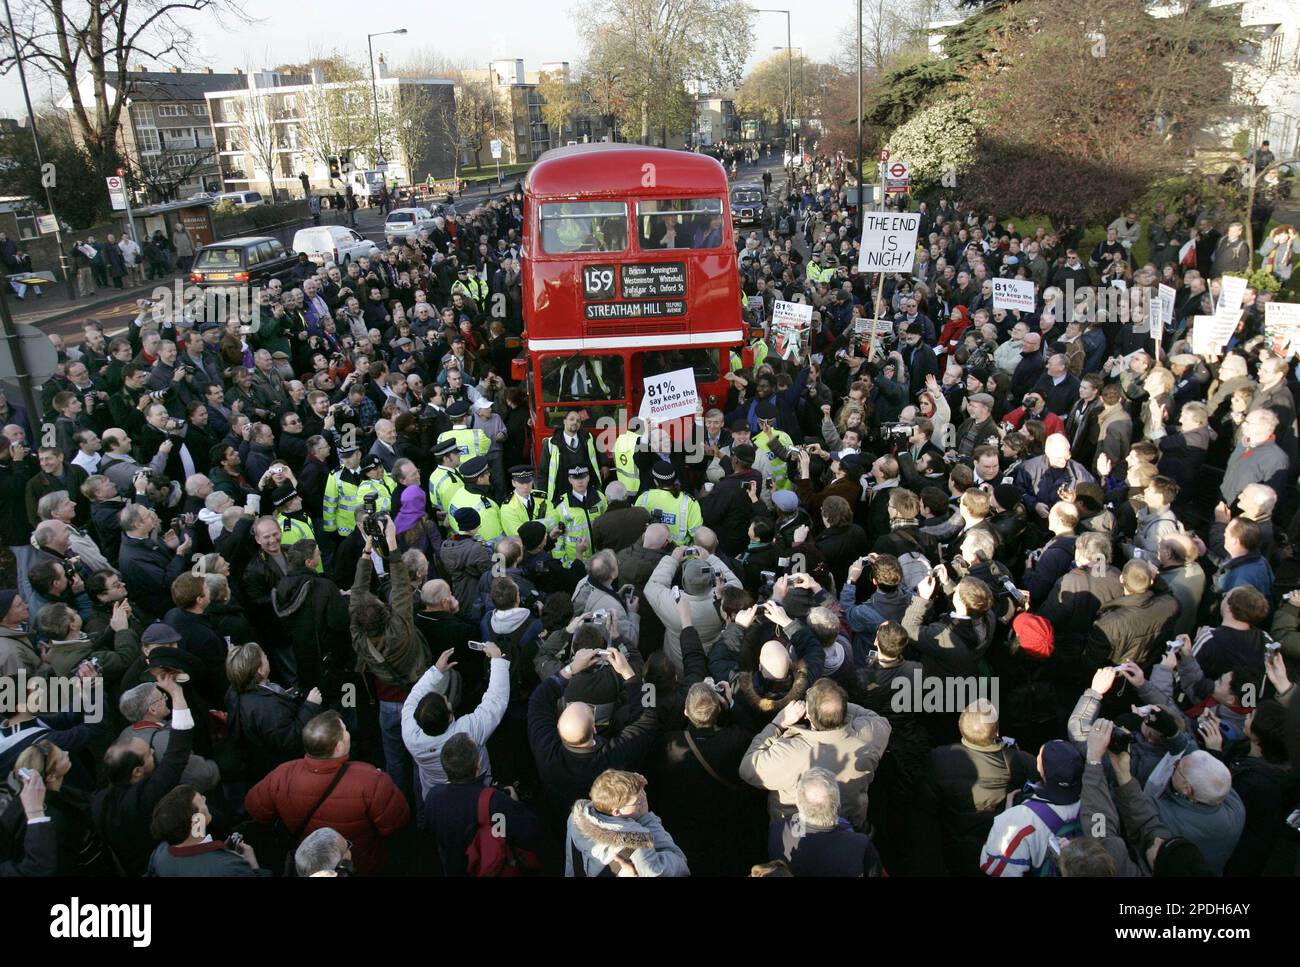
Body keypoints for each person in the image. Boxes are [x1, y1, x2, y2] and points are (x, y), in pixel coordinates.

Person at [244, 710, 410, 877]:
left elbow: (255, 808)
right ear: (338, 746)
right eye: (345, 730)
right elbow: (396, 822)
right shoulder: (372, 780)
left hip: (310, 865)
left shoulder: (282, 774)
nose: (348, 733)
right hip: (359, 863)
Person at [739, 678, 891, 833]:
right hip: (849, 827)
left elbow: (747, 768)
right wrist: (835, 705)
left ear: (808, 716)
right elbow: (876, 718)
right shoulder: (867, 736)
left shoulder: (789, 753)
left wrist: (778, 723)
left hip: (794, 835)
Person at [90, 670, 194, 876]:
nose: (153, 752)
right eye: (148, 755)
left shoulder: (98, 801)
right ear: (137, 772)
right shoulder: (144, 797)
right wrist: (177, 694)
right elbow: (177, 753)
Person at [978, 739, 1084, 877]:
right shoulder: (1097, 804)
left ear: (1040, 769)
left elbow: (993, 868)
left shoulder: (1018, 820)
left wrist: (1007, 818)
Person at [566, 768, 689, 877]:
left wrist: (628, 780)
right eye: (638, 801)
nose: (644, 798)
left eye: (642, 791)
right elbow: (679, 865)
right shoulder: (637, 844)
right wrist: (646, 818)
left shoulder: (576, 818)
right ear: (617, 812)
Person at [146, 785, 268, 876]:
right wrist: (254, 867)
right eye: (202, 802)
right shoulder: (230, 867)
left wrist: (218, 852)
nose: (205, 799)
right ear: (196, 822)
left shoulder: (159, 853)